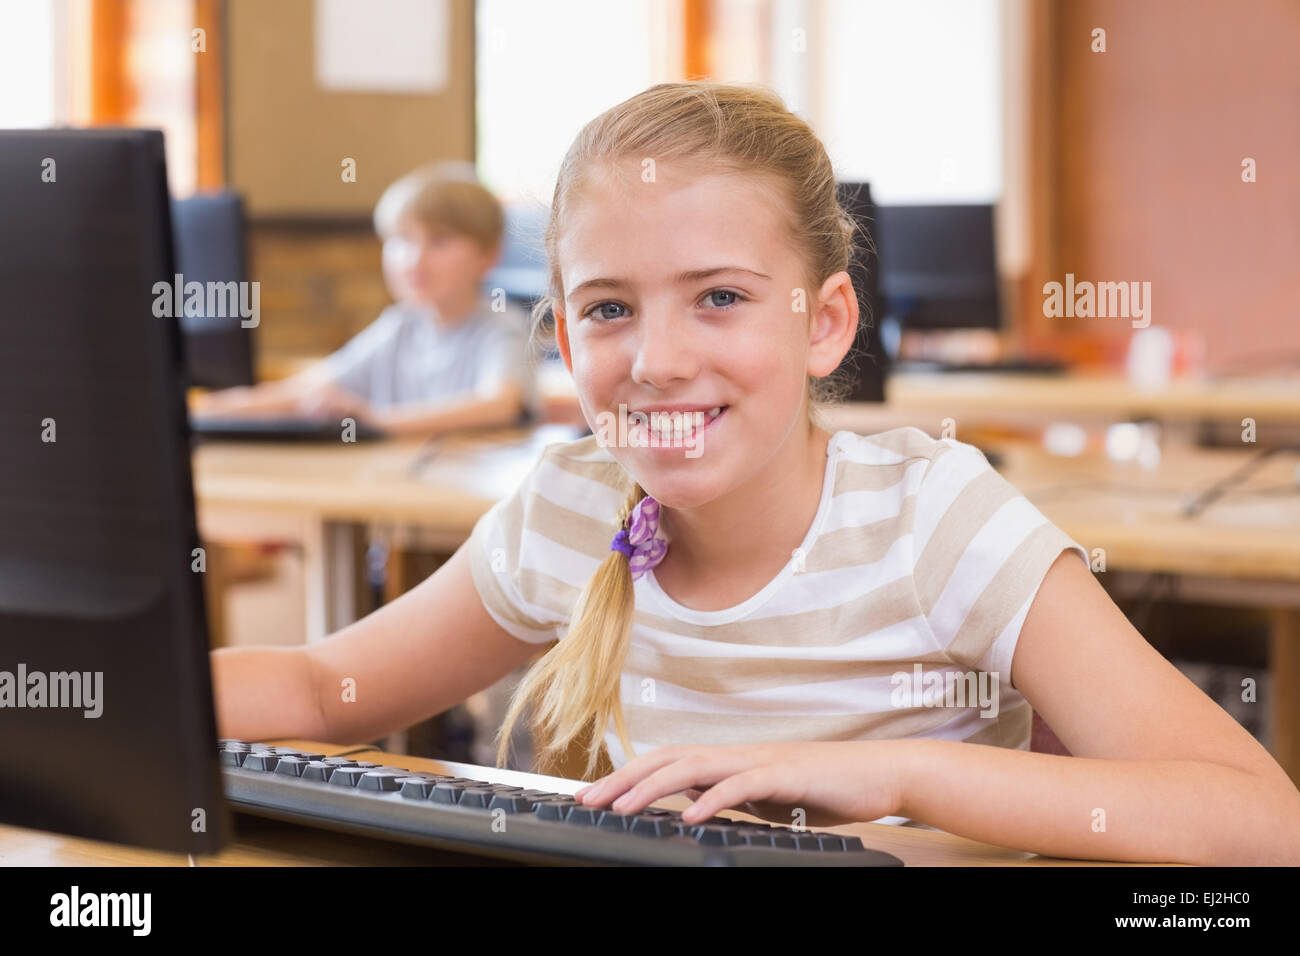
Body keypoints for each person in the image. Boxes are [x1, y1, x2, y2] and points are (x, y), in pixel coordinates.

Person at [210, 82, 1300, 864]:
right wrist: (96, 684)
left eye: (719, 296)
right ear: (559, 331)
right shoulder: (573, 506)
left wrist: (905, 776)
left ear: (824, 323)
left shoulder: (934, 518)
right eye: (607, 308)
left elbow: (1258, 823)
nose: (657, 358)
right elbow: (318, 687)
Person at [192, 162, 533, 439]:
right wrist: (208, 408)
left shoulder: (502, 327)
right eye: (401, 240)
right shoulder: (398, 327)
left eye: (439, 241)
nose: (414, 259)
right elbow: (308, 388)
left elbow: (500, 404)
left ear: (488, 255)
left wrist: (378, 421)